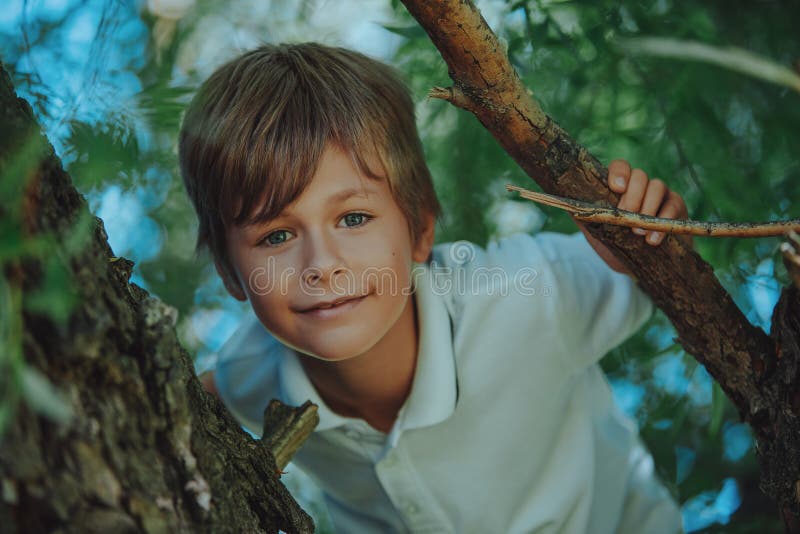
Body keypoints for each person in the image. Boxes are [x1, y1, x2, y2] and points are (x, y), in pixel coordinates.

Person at [180, 42, 687, 533]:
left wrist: (655, 230)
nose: (322, 265)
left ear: (421, 228)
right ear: (229, 270)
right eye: (277, 235)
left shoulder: (529, 292)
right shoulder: (251, 376)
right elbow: (193, 397)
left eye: (353, 217)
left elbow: (668, 272)